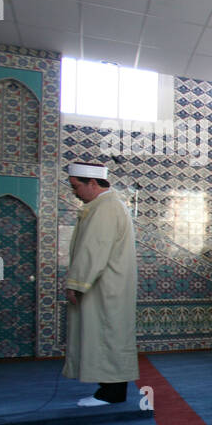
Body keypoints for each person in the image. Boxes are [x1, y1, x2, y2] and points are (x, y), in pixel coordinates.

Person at [62, 161, 138, 406]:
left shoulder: (106, 207)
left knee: (108, 335)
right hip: (104, 285)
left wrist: (77, 283)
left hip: (105, 287)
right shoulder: (104, 205)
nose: (74, 192)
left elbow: (93, 250)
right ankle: (107, 389)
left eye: (76, 186)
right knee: (106, 334)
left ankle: (112, 393)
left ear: (92, 183)